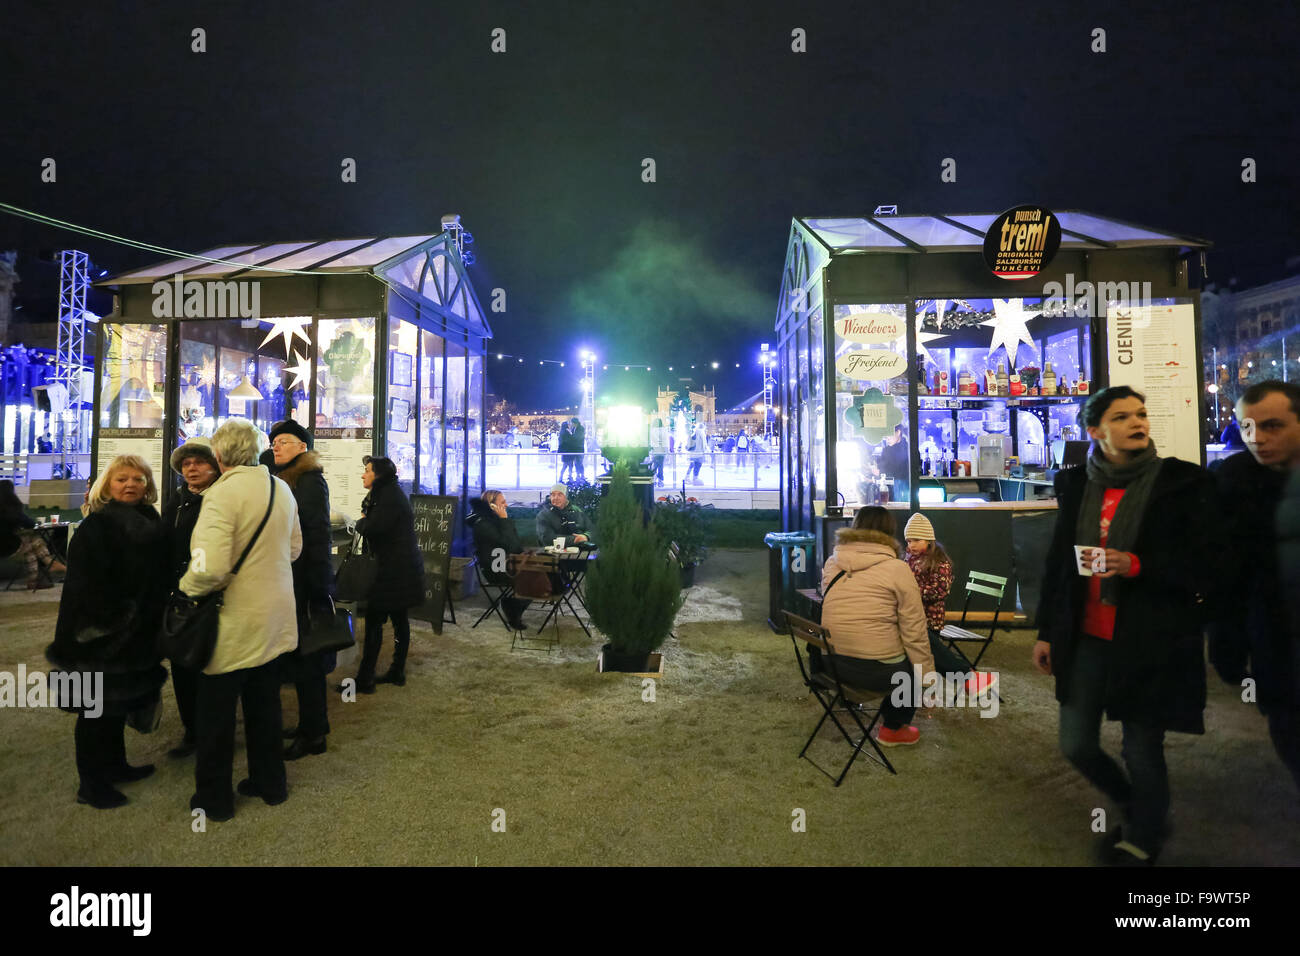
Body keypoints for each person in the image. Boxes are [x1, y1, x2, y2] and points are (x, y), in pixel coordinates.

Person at [1032, 386, 1214, 866]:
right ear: (1095, 430)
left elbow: (1203, 562)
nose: (1138, 422)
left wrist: (1136, 564)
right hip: (1087, 633)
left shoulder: (1180, 483)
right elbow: (1058, 564)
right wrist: (1046, 631)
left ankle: (1145, 833)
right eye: (1122, 416)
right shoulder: (1074, 484)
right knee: (1076, 743)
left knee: (1141, 745)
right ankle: (1140, 806)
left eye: (1142, 414)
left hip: (1149, 635)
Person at [180, 419, 302, 822]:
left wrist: (186, 588)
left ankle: (214, 800)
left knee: (214, 715)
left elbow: (209, 568)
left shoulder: (219, 496)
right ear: (256, 450)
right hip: (276, 616)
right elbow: (295, 549)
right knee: (264, 705)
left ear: (218, 456)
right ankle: (271, 784)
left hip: (232, 622)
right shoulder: (281, 488)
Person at [45, 456, 168, 809]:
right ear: (107, 486)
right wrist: (118, 620)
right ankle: (91, 784)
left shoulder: (150, 521)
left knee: (118, 704)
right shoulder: (97, 526)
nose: (130, 485)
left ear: (148, 486)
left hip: (134, 636)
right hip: (95, 637)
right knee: (94, 710)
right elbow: (87, 587)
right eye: (122, 479)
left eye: (139, 479)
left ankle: (116, 765)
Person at [1211, 380, 1300, 790]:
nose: (1256, 439)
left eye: (1272, 426)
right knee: (1287, 732)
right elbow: (1227, 573)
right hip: (1275, 641)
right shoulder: (1233, 480)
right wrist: (1227, 645)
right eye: (1246, 428)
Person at [819, 506, 934, 746]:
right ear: (890, 532)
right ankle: (892, 728)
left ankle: (964, 674)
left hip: (830, 666)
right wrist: (927, 680)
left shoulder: (833, 562)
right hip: (874, 673)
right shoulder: (898, 569)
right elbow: (915, 632)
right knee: (916, 657)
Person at [268, 420, 336, 761]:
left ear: (302, 447)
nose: (276, 446)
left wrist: (317, 586)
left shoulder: (308, 480)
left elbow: (316, 534)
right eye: (274, 441)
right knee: (298, 658)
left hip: (304, 583)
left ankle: (314, 733)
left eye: (284, 441)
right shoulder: (284, 478)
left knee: (308, 658)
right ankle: (309, 725)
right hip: (290, 580)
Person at [159, 437, 220, 759]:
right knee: (183, 665)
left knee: (212, 665)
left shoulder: (222, 499)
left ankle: (214, 730)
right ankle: (192, 731)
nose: (192, 468)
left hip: (214, 594)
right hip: (181, 595)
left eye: (198, 462)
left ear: (214, 465)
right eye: (186, 464)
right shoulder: (177, 501)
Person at [902, 512, 996, 697]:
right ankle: (961, 681)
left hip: (930, 619)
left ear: (929, 540)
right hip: (912, 616)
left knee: (925, 652)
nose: (911, 545)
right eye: (908, 541)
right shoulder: (907, 560)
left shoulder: (939, 562)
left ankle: (965, 680)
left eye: (916, 540)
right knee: (921, 656)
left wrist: (911, 593)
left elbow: (941, 590)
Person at [351, 456, 425, 691]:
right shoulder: (389, 493)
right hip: (400, 569)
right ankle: (396, 671)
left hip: (391, 572)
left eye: (367, 470)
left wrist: (361, 522)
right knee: (399, 619)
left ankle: (365, 679)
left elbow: (373, 528)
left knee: (374, 622)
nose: (363, 474)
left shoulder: (387, 497)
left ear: (378, 475)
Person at [467, 489, 530, 631]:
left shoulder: (495, 521)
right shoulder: (483, 524)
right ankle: (512, 608)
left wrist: (504, 521)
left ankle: (511, 605)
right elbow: (510, 545)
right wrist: (504, 520)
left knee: (541, 572)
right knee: (532, 579)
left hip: (507, 563)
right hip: (495, 568)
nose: (506, 505)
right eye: (502, 502)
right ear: (491, 505)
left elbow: (516, 546)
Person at [0, 478, 66, 590]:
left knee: (30, 545)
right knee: (32, 542)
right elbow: (30, 524)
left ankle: (37, 577)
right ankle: (48, 564)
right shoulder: (11, 509)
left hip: (6, 545)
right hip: (7, 547)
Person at [536, 483, 591, 548]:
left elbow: (591, 529)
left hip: (579, 551)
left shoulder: (576, 510)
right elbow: (547, 538)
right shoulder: (543, 515)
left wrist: (586, 536)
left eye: (560, 494)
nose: (556, 498)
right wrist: (575, 539)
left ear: (566, 497)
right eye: (553, 495)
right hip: (553, 553)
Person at [877, 424, 910, 502]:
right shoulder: (887, 450)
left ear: (898, 432)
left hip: (901, 488)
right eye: (885, 436)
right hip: (888, 488)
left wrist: (879, 471)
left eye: (889, 434)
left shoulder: (908, 449)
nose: (887, 438)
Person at [649, 418, 669, 486]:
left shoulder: (652, 431)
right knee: (660, 467)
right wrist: (666, 452)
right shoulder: (663, 431)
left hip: (655, 452)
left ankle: (654, 480)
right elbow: (665, 442)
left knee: (655, 466)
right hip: (661, 452)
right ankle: (660, 481)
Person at [571, 417, 587, 482]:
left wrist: (571, 435)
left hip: (580, 448)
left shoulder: (581, 428)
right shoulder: (573, 428)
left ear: (575, 423)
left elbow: (579, 438)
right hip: (575, 449)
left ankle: (582, 475)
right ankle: (578, 475)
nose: (572, 424)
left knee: (580, 463)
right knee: (576, 463)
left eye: (572, 423)